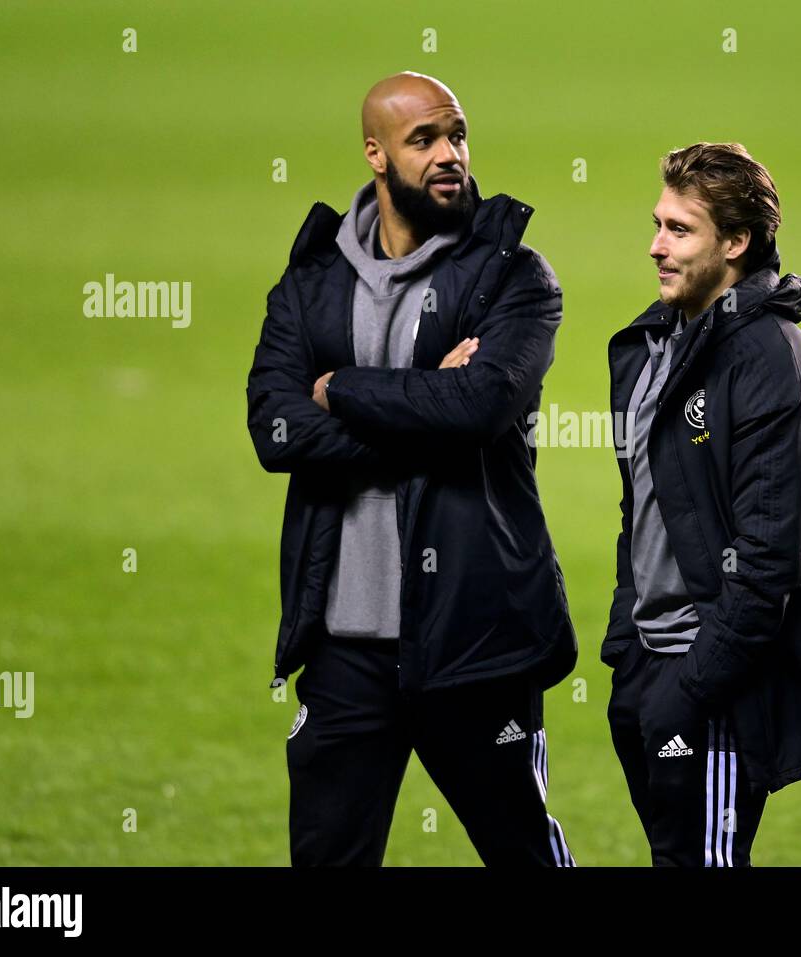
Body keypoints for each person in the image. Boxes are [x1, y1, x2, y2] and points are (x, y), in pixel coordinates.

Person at [246, 72, 576, 866]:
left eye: (457, 134)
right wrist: (427, 403)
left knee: (522, 852)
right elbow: (275, 429)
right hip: (345, 649)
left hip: (473, 638)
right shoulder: (310, 284)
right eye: (422, 140)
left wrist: (344, 391)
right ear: (376, 155)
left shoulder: (513, 278)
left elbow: (479, 407)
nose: (448, 154)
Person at [603, 142, 801, 866]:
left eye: (679, 230)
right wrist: (627, 648)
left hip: (714, 679)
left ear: (736, 242)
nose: (655, 246)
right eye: (657, 223)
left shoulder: (774, 363)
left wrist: (688, 689)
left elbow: (767, 565)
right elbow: (642, 512)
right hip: (649, 664)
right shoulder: (654, 344)